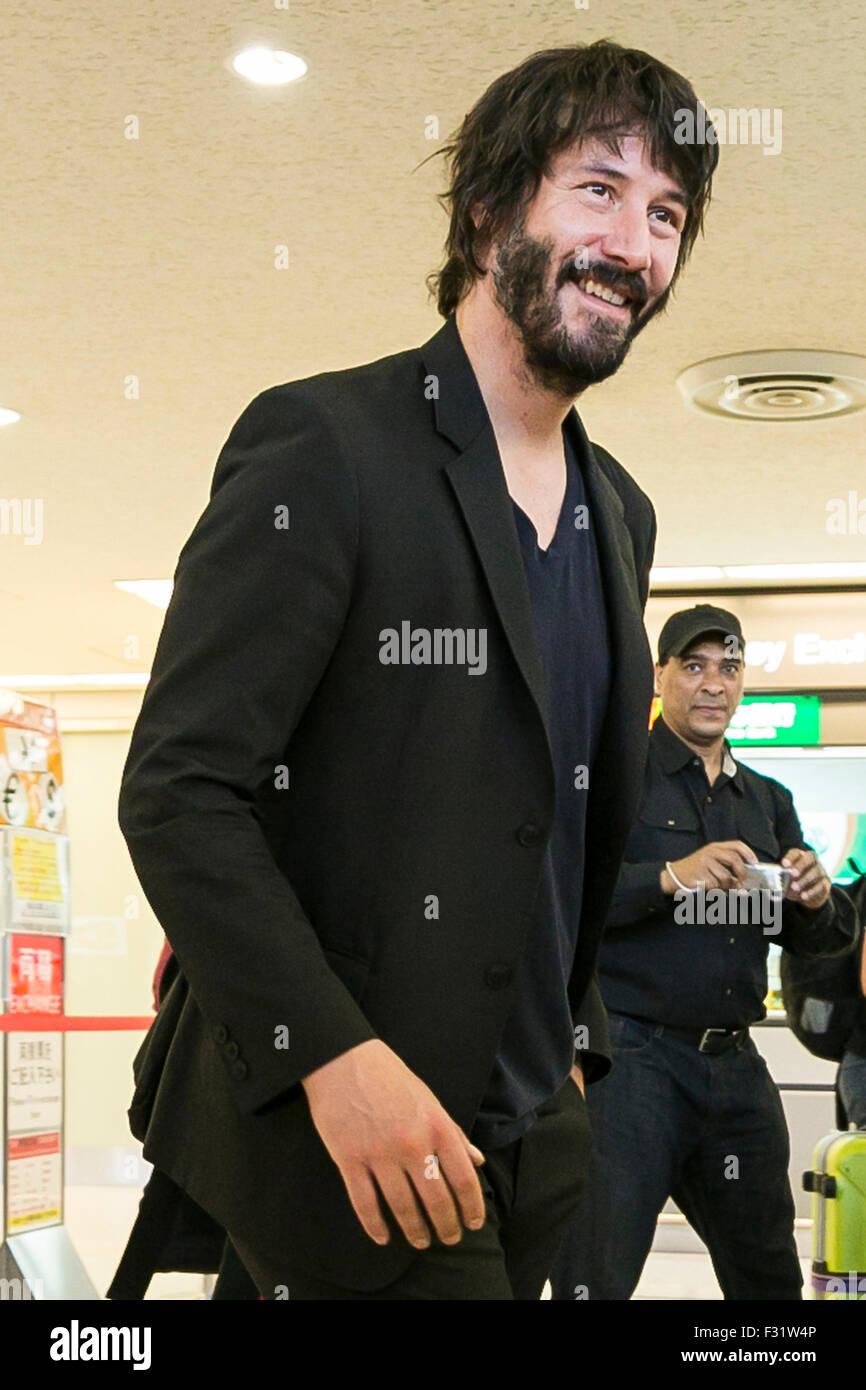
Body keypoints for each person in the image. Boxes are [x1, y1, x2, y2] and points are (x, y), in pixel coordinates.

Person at [117, 42, 718, 1300]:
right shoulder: (325, 446)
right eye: (598, 189)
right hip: (350, 1126)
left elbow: (553, 818)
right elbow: (180, 791)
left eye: (666, 214)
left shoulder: (620, 513)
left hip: (532, 1134)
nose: (635, 243)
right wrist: (334, 1058)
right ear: (489, 206)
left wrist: (572, 1055)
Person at [551, 604, 858, 1301]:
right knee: (594, 1277)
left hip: (734, 1072)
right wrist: (669, 875)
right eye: (694, 666)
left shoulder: (768, 801)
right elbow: (563, 904)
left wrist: (816, 899)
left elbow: (819, 938)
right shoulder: (614, 779)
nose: (713, 683)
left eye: (729, 667)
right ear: (660, 676)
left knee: (768, 1281)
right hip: (631, 1066)